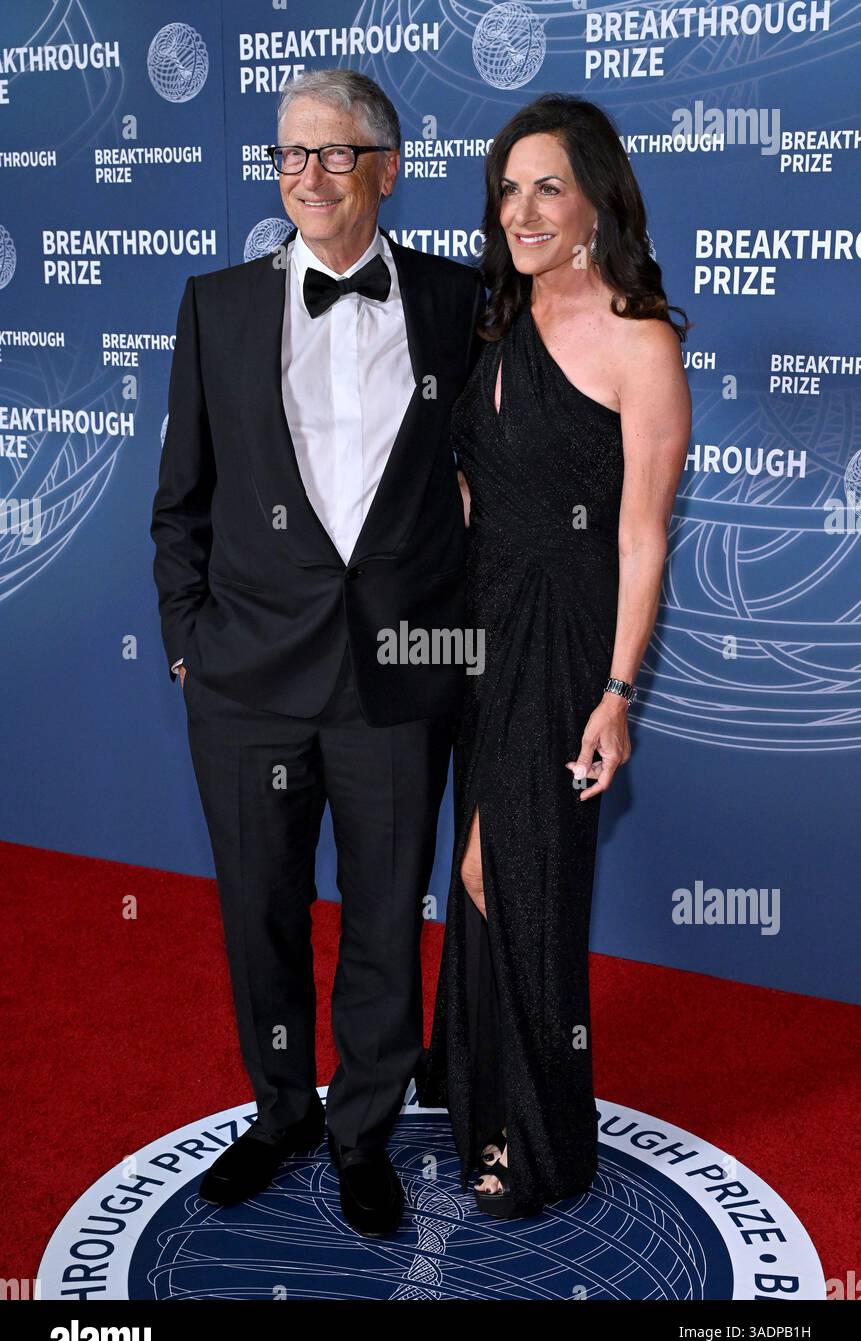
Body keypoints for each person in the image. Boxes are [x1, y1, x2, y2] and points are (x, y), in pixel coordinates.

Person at [150, 68, 484, 1238]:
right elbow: (179, 502)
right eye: (289, 156)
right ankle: (284, 1108)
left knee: (389, 916)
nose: (306, 177)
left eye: (333, 155)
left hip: (398, 675)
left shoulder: (460, 301)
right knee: (263, 912)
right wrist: (190, 644)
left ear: (385, 170)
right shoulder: (217, 305)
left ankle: (364, 1131)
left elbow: (507, 470)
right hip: (246, 677)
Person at [415, 94, 692, 1218]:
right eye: (509, 188)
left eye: (548, 188)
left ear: (594, 204)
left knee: (512, 873)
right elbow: (475, 489)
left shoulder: (641, 339)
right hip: (482, 625)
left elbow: (642, 531)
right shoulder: (494, 325)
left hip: (565, 631)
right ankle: (485, 1096)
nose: (521, 210)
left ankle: (544, 1145)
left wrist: (618, 690)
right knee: (478, 873)